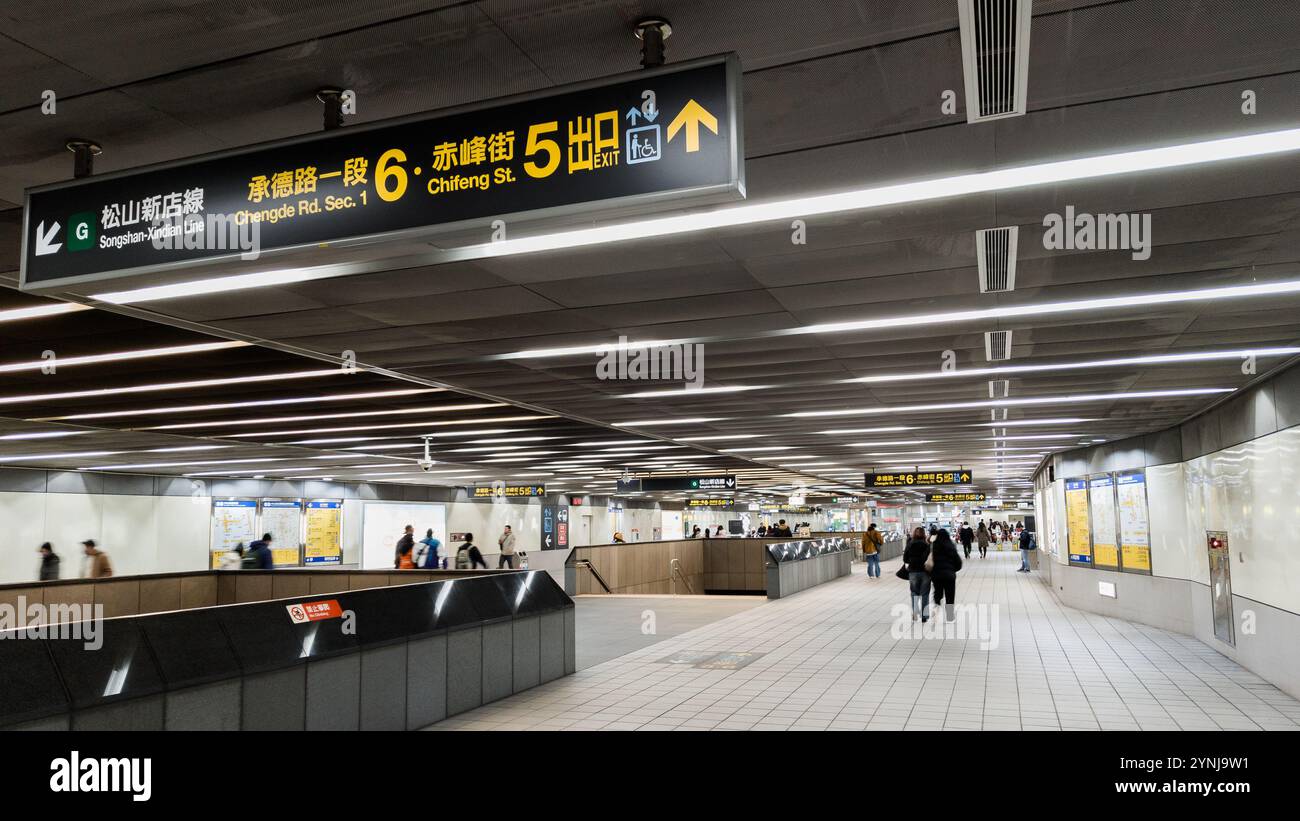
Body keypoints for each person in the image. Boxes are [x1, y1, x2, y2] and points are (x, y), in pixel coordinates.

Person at [929, 528, 963, 621]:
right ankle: (950, 615)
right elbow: (958, 563)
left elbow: (930, 561)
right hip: (949, 576)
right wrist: (952, 570)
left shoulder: (934, 546)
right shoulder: (951, 547)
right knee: (950, 595)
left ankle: (936, 610)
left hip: (937, 575)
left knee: (938, 593)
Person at [902, 527, 931, 623]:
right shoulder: (927, 545)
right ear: (924, 534)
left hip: (913, 571)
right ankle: (924, 616)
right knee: (925, 594)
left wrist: (911, 561)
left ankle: (915, 613)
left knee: (914, 593)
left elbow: (905, 559)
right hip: (925, 572)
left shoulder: (910, 544)